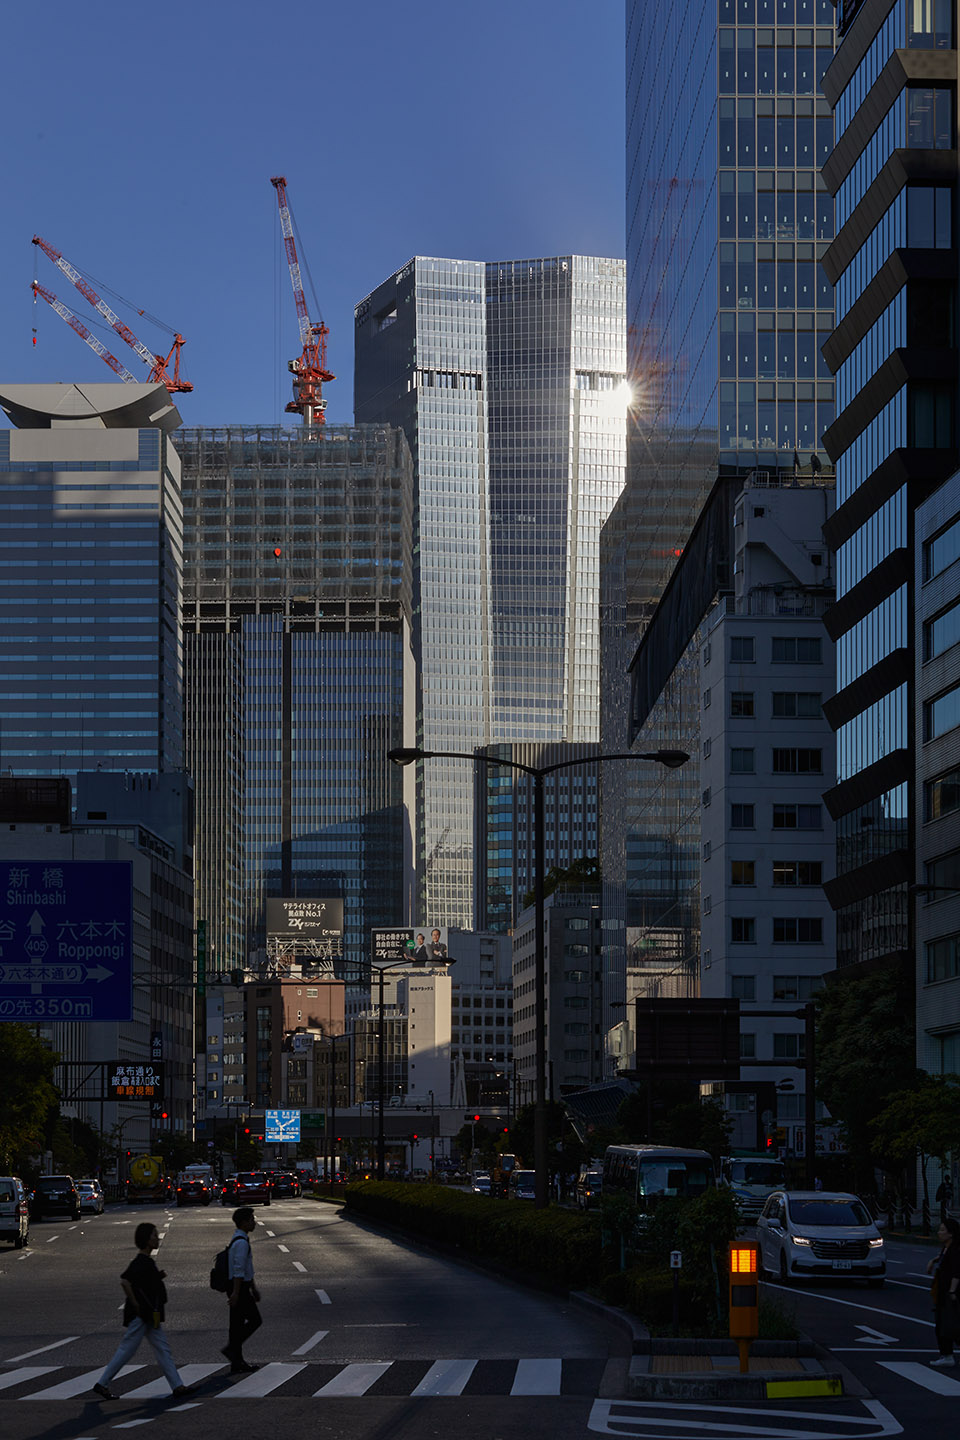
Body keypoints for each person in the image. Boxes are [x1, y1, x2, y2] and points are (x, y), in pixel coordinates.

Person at [92, 1222, 190, 1400]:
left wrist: (156, 1277)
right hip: (142, 1315)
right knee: (127, 1350)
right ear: (146, 1239)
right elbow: (125, 1281)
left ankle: (178, 1386)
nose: (157, 1238)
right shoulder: (141, 1261)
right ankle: (102, 1383)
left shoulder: (146, 1262)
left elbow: (141, 1282)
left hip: (149, 1314)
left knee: (161, 1349)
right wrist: (136, 1303)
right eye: (154, 1235)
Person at [222, 1206, 261, 1374]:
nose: (254, 1222)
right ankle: (232, 1349)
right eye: (252, 1219)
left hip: (240, 1286)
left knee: (236, 1325)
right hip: (239, 1287)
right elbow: (239, 1270)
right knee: (255, 1320)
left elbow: (246, 1268)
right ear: (244, 1223)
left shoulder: (239, 1239)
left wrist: (253, 1287)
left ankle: (237, 1361)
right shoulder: (241, 1243)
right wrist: (237, 1293)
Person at [926, 1216, 960, 1367]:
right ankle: (946, 1354)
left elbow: (957, 1271)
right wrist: (933, 1261)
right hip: (942, 1292)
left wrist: (952, 1291)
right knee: (944, 1325)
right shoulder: (946, 1248)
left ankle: (947, 1355)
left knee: (946, 1325)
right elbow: (942, 1258)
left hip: (949, 1293)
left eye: (942, 1230)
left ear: (951, 1233)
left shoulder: (955, 1250)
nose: (939, 1233)